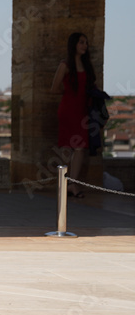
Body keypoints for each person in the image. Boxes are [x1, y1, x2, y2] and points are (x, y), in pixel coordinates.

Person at [50, 32, 95, 197]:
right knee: (67, 147)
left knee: (80, 148)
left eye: (86, 43)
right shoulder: (65, 65)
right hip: (68, 110)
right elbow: (54, 89)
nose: (85, 45)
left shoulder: (87, 65)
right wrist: (70, 92)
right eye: (82, 42)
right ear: (74, 45)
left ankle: (73, 184)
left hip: (83, 111)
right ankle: (65, 183)